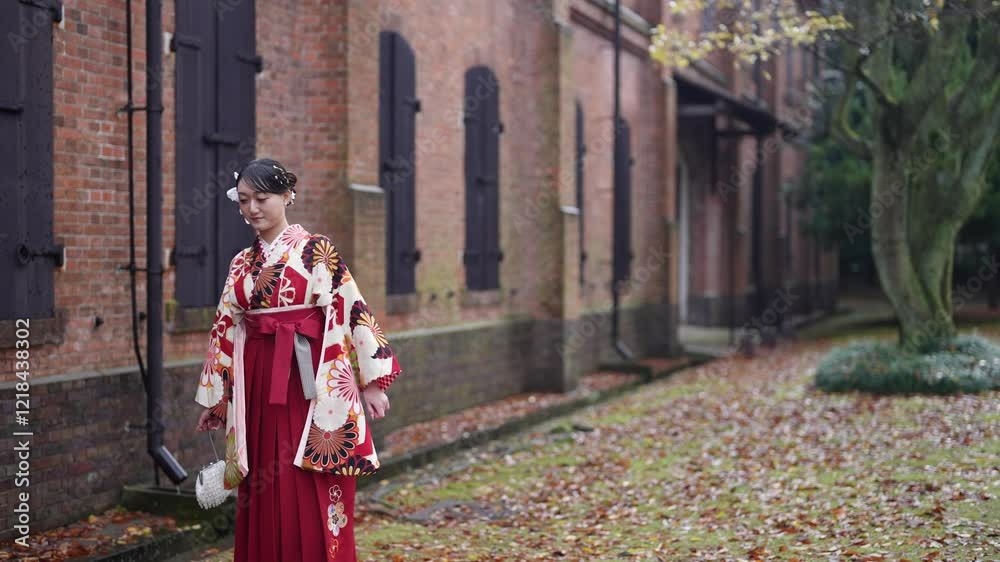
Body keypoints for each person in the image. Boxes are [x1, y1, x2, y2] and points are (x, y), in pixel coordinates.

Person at [194, 158, 403, 561]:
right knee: (262, 477)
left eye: (262, 198)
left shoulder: (316, 251)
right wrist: (218, 401)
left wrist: (371, 383)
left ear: (287, 195)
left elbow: (349, 310)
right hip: (255, 381)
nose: (252, 208)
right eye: (244, 200)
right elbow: (224, 328)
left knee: (306, 475)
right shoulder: (241, 262)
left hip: (308, 378)